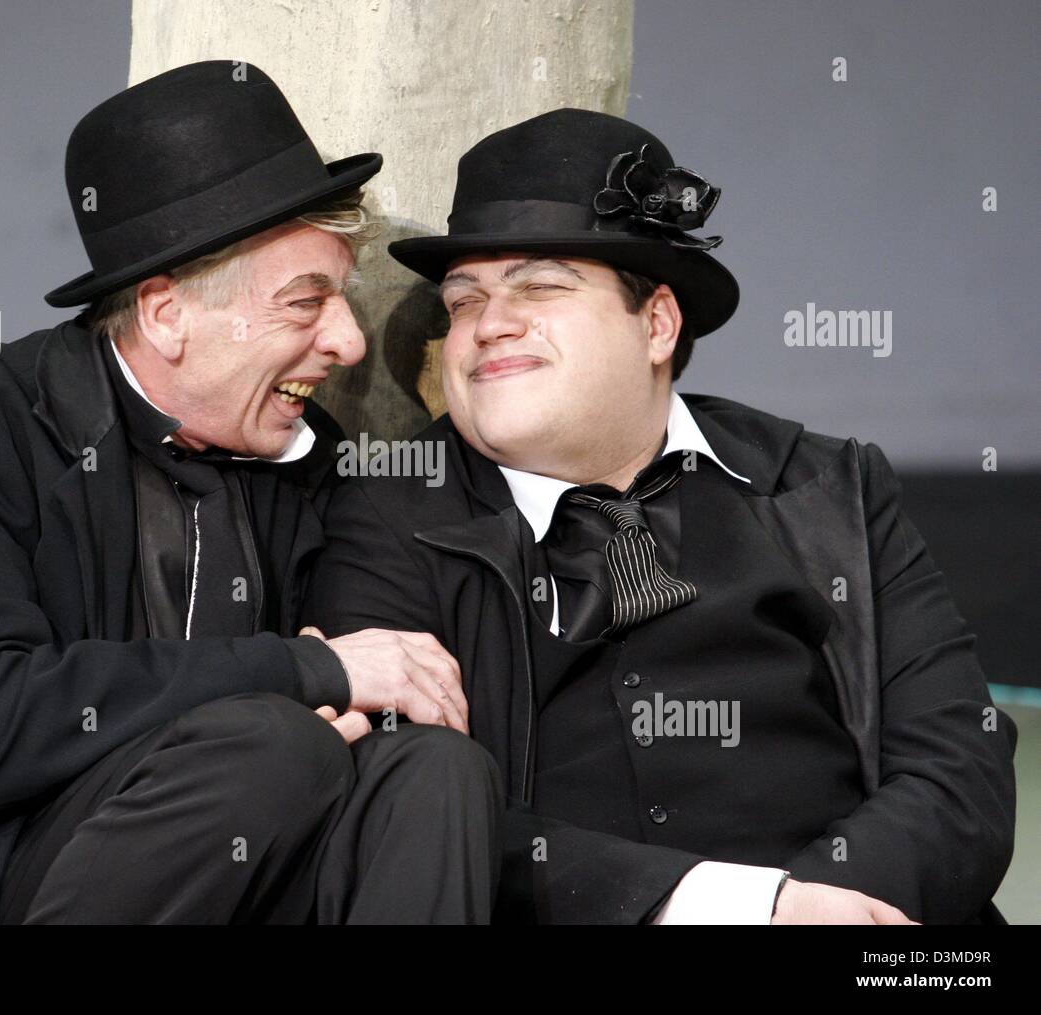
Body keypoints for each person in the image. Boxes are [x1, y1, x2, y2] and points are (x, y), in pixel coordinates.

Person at [0, 60, 503, 925]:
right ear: (166, 314)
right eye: (306, 304)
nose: (347, 342)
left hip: (208, 872)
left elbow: (351, 704)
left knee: (434, 770)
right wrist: (305, 669)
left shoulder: (314, 461)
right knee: (271, 743)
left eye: (341, 299)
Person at [303, 109, 1017, 924]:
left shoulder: (829, 484)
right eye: (464, 302)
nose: (488, 324)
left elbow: (961, 757)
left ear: (658, 323)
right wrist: (742, 910)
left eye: (538, 287)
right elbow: (397, 809)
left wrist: (840, 905)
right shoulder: (387, 515)